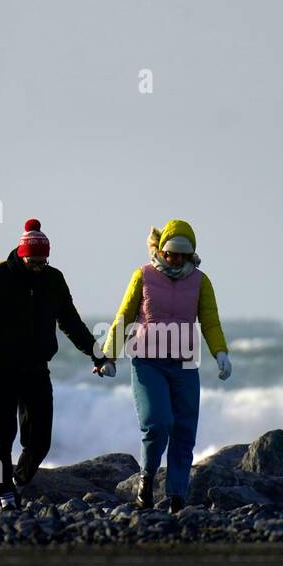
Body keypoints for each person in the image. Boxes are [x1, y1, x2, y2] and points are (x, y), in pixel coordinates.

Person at [0, 219, 112, 509]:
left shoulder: (53, 279)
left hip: (36, 371)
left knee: (40, 441)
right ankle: (2, 492)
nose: (40, 266)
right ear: (22, 256)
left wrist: (97, 355)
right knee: (1, 437)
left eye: (44, 261)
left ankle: (18, 482)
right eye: (35, 262)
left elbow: (71, 322)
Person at [102, 219, 231, 514]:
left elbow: (210, 321)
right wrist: (108, 356)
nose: (175, 259)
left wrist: (220, 352)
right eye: (171, 253)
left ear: (190, 254)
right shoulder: (143, 276)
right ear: (162, 251)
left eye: (181, 254)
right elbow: (124, 316)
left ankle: (177, 496)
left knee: (184, 431)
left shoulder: (201, 281)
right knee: (158, 424)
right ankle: (146, 478)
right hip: (148, 363)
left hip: (185, 365)